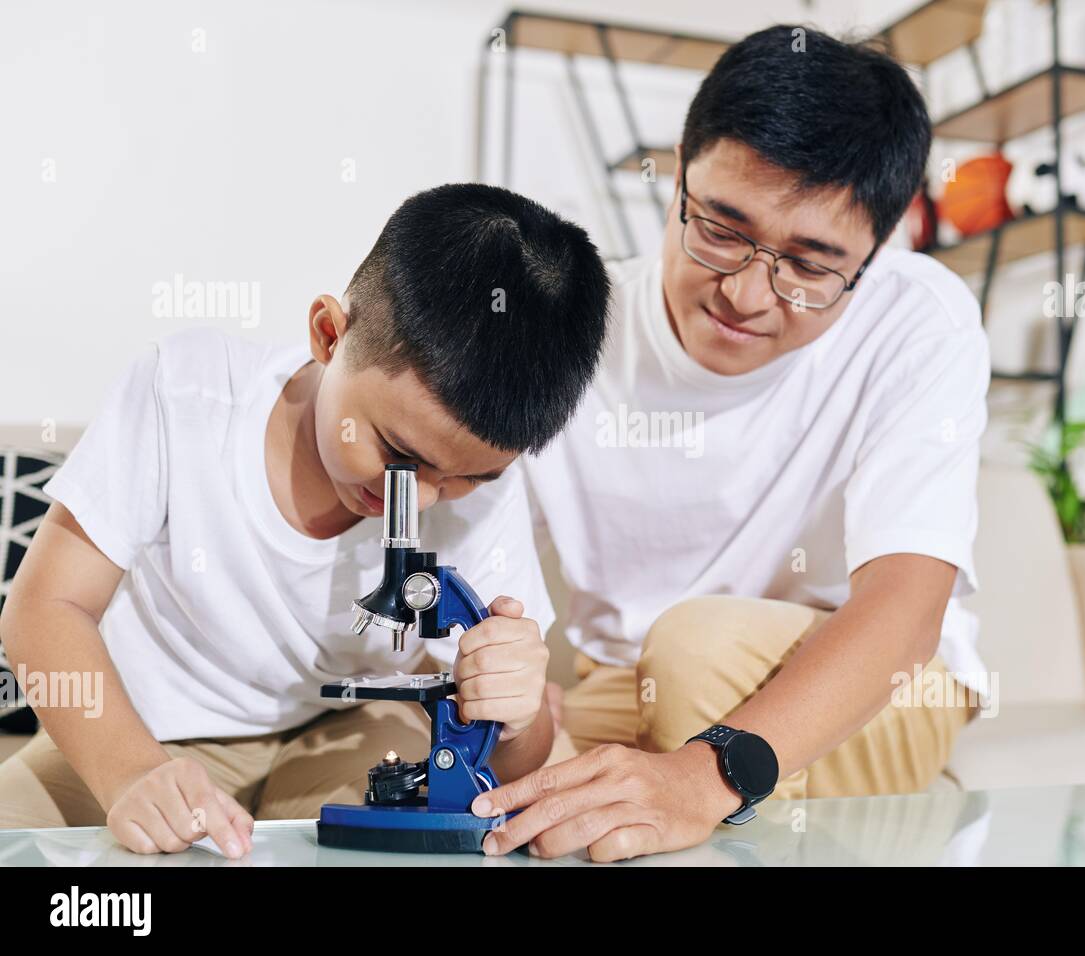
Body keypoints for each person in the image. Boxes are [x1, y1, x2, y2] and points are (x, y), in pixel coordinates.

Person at [478, 25, 992, 862]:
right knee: (480, 789)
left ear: (878, 249)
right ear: (680, 169)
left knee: (695, 650)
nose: (748, 294)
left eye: (810, 266)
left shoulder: (918, 319)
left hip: (871, 680)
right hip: (626, 682)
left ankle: (729, 786)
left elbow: (904, 611)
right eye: (720, 227)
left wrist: (702, 776)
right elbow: (477, 536)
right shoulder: (575, 321)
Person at [0, 184, 611, 858]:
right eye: (399, 453)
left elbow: (510, 773)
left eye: (471, 476)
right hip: (145, 721)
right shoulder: (185, 392)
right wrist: (131, 773)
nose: (428, 499)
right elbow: (45, 607)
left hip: (352, 729)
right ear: (328, 334)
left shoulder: (488, 495)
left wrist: (518, 718)